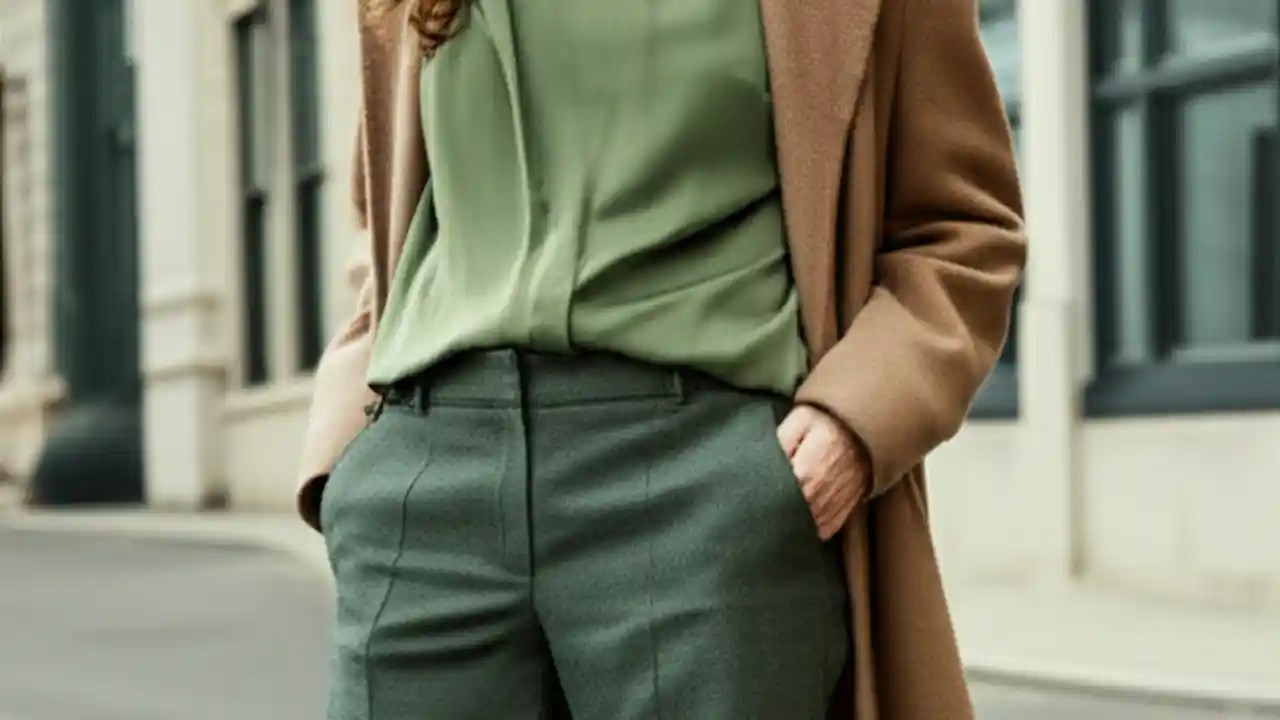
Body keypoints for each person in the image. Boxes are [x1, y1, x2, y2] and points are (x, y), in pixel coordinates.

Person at [298, 0, 1026, 718]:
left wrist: (855, 421)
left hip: (701, 488)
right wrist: (350, 458)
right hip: (427, 485)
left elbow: (963, 229)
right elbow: (392, 210)